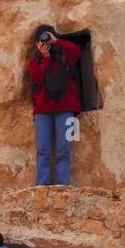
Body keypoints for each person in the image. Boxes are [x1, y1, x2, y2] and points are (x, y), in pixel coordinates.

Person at [27, 24, 81, 186]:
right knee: (42, 152)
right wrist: (45, 58)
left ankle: (61, 187)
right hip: (42, 112)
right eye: (40, 41)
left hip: (66, 109)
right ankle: (41, 187)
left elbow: (77, 52)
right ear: (37, 44)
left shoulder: (65, 56)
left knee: (64, 152)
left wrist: (57, 42)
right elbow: (38, 78)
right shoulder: (35, 62)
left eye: (47, 39)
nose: (44, 43)